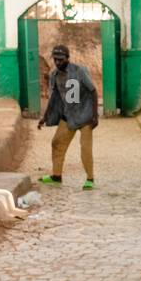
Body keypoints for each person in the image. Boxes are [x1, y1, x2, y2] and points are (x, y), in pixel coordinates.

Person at [37, 43, 99, 189]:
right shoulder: (54, 75)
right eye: (56, 59)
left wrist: (95, 116)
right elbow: (54, 97)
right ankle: (56, 176)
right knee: (57, 143)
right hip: (68, 115)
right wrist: (45, 117)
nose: (58, 62)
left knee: (85, 148)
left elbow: (93, 91)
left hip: (85, 116)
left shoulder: (79, 71)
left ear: (67, 58)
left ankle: (90, 178)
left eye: (61, 59)